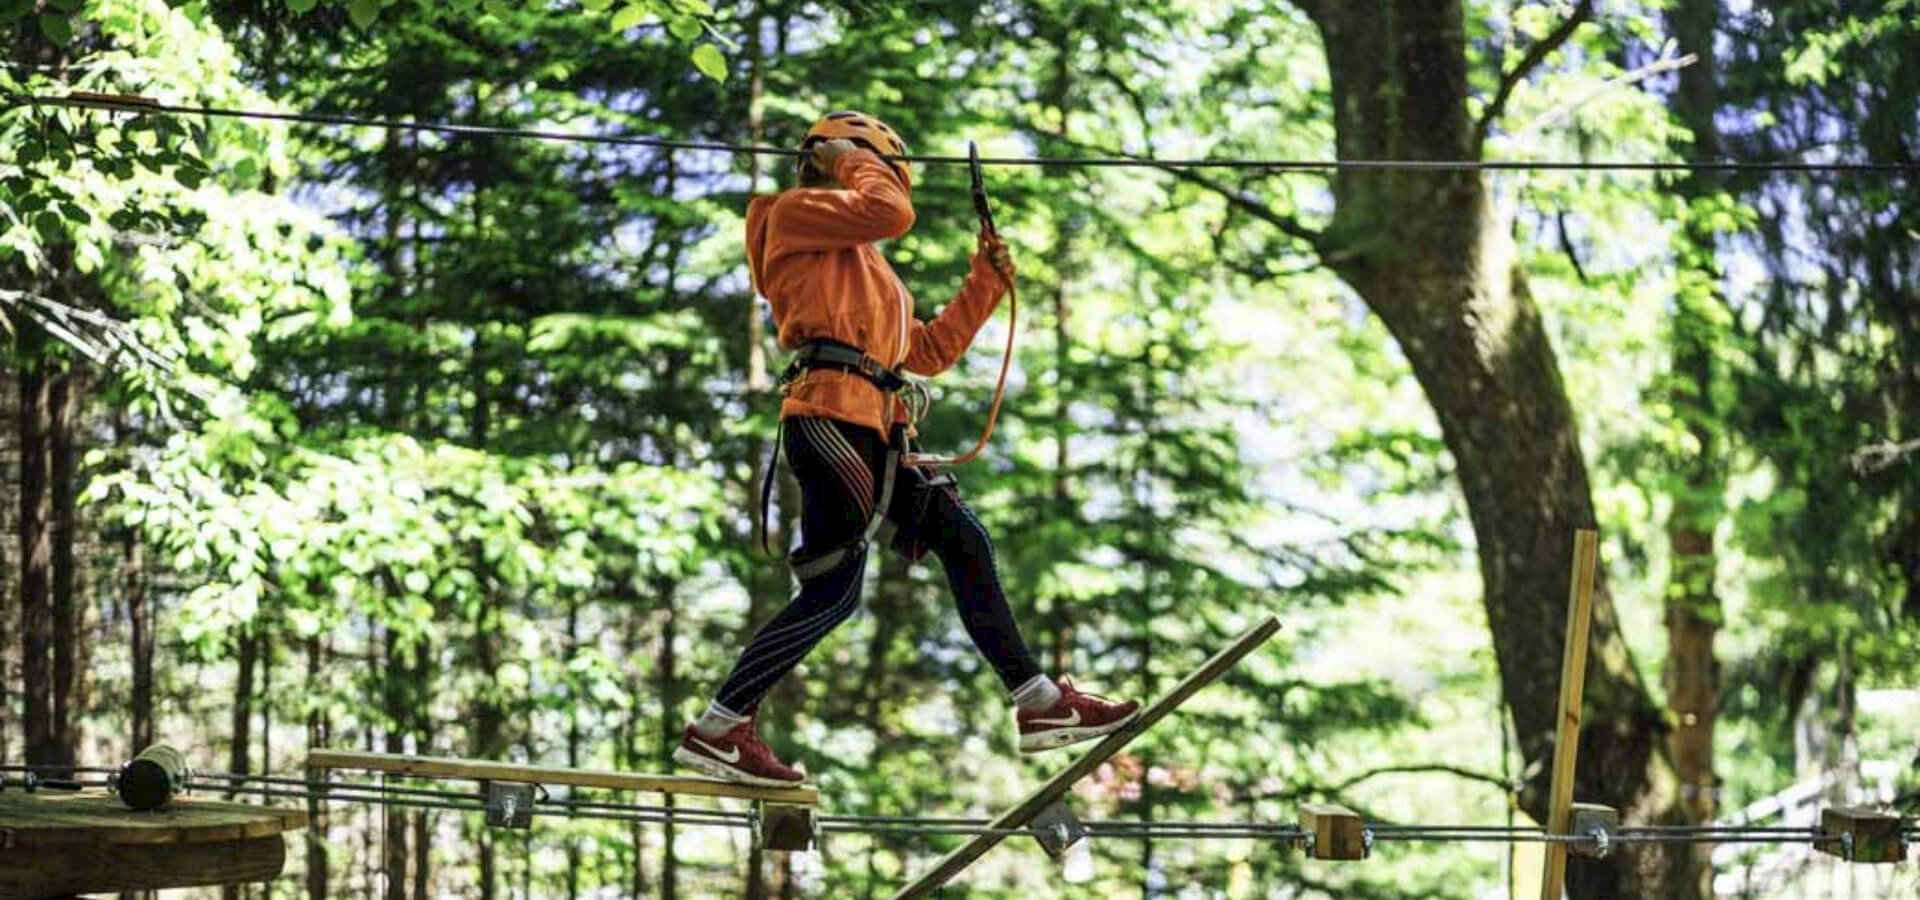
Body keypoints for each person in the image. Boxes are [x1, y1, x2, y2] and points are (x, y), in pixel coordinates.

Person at [673, 111, 1140, 787]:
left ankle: (1039, 704)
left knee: (964, 542)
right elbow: (890, 212)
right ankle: (718, 728)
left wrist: (984, 282)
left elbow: (924, 352)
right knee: (834, 592)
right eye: (879, 169)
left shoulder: (863, 265)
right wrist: (847, 161)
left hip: (875, 425)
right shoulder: (794, 213)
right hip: (831, 414)